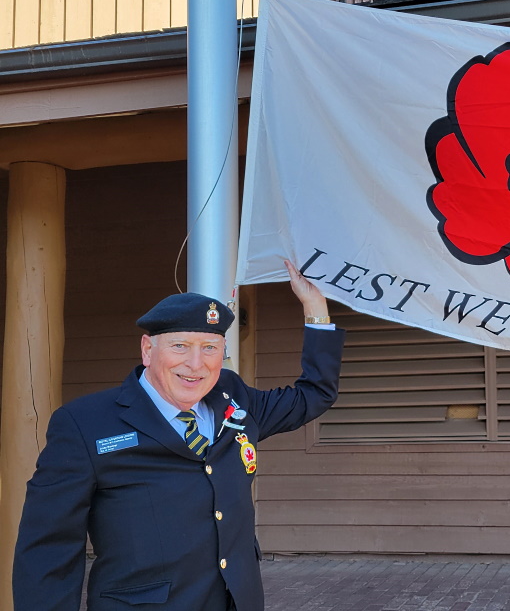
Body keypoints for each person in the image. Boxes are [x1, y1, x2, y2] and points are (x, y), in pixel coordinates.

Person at [13, 260, 341, 611]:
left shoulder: (234, 397)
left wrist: (315, 307)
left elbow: (313, 395)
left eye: (210, 347)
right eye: (180, 346)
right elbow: (48, 550)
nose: (196, 363)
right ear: (147, 349)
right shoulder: (85, 424)